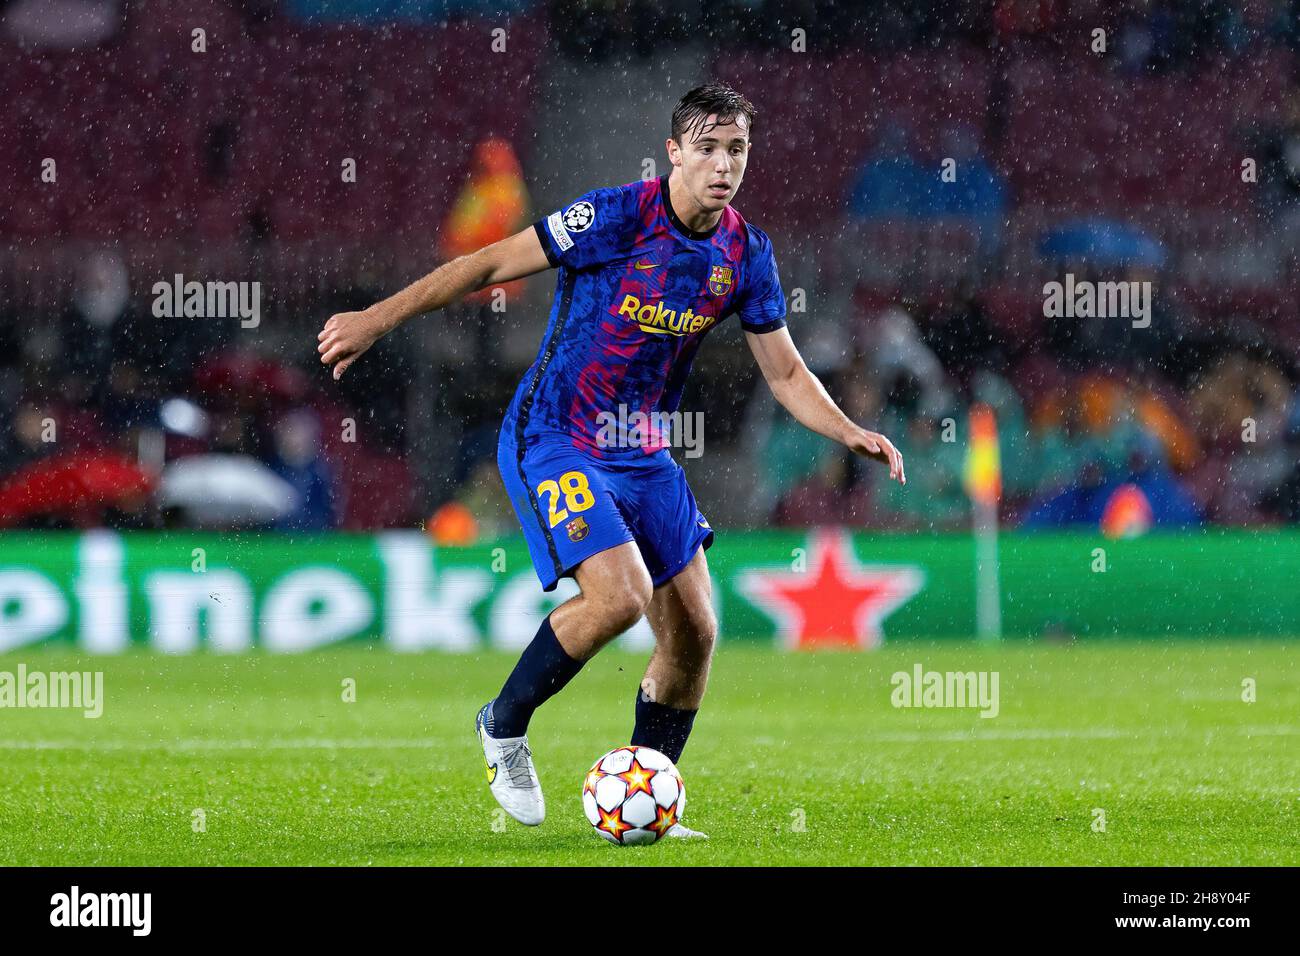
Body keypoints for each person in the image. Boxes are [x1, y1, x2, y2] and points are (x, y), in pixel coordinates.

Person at [316, 83, 906, 838]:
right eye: (708, 148)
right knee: (620, 596)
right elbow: (491, 263)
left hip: (643, 449)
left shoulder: (744, 253)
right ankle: (502, 723)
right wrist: (375, 319)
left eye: (737, 150)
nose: (723, 165)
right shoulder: (618, 216)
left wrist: (847, 428)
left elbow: (786, 373)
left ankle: (647, 790)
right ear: (674, 153)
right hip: (554, 433)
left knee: (694, 630)